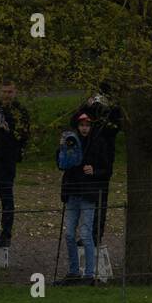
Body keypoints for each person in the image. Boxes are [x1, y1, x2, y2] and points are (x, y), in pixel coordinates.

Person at [58, 113, 112, 285]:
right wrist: (61, 149)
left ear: (91, 126)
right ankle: (74, 272)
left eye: (87, 125)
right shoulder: (70, 140)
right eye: (82, 125)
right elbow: (60, 164)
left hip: (88, 194)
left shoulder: (99, 143)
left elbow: (107, 169)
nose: (84, 128)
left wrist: (94, 171)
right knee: (68, 234)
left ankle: (89, 274)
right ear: (78, 126)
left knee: (86, 234)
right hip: (72, 192)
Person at [70, 84, 123, 243]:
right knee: (86, 196)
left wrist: (109, 108)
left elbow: (113, 128)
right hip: (88, 153)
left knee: (101, 198)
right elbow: (75, 122)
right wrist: (87, 105)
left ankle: (95, 235)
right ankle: (87, 233)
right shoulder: (90, 110)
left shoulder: (114, 112)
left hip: (104, 156)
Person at [0, 80, 30, 248]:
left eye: (10, 92)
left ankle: (6, 234)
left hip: (7, 160)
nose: (7, 95)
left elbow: (24, 135)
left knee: (7, 199)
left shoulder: (19, 111)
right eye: (4, 92)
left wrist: (10, 130)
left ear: (14, 92)